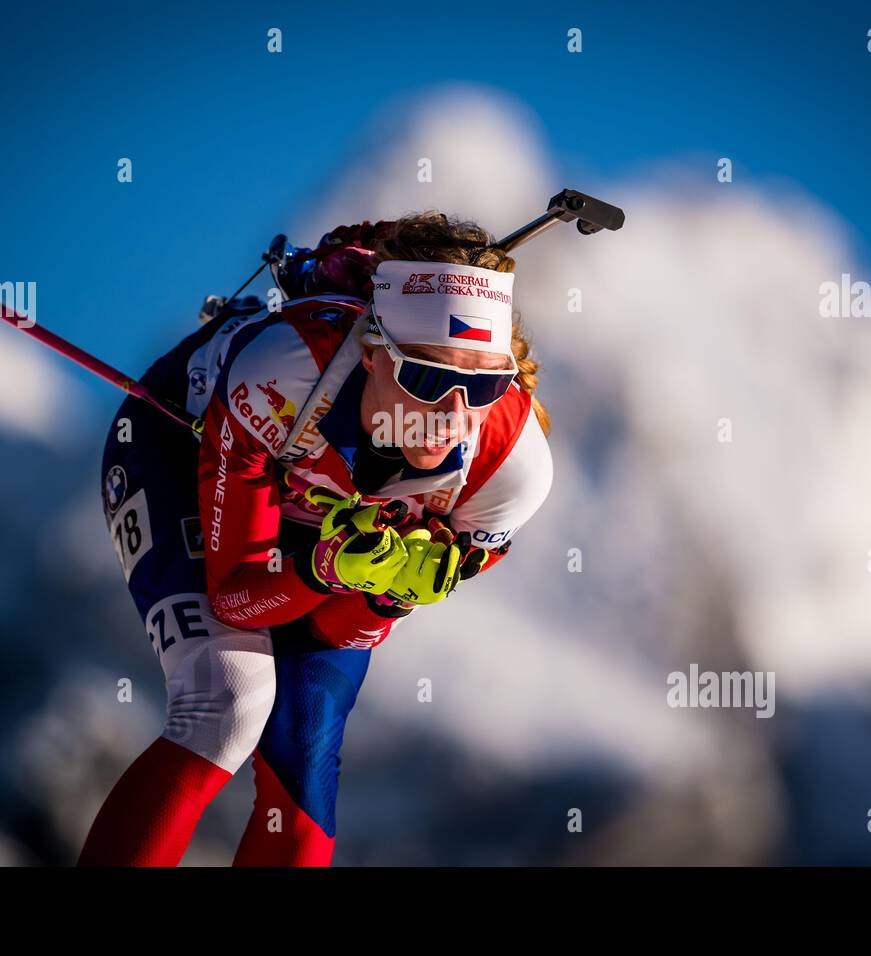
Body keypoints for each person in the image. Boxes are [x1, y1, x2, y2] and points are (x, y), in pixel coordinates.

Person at [78, 212, 553, 866]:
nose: (454, 416)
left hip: (310, 522)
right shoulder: (286, 370)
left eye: (484, 385)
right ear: (374, 351)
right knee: (226, 705)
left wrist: (383, 595)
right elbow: (237, 598)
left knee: (304, 775)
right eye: (427, 378)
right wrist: (327, 570)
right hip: (176, 455)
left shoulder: (511, 473)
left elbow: (332, 632)